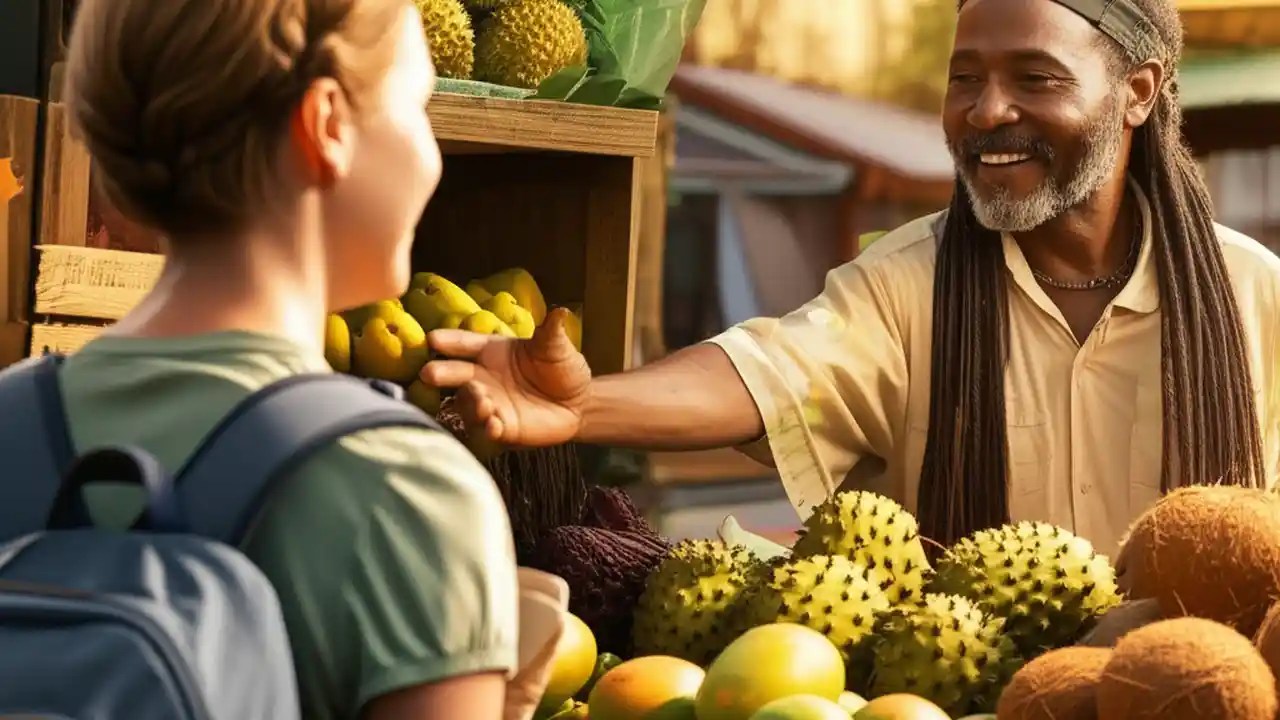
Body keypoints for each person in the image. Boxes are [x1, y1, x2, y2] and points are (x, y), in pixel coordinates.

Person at [422, 0, 1280, 556]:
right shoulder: (910, 284)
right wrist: (585, 406)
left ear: (1137, 91)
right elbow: (770, 371)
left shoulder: (1257, 300)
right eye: (964, 79)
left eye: (1034, 78)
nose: (986, 112)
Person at [52, 0, 545, 718]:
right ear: (327, 126)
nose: (431, 155)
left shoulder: (9, 422)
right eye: (420, 105)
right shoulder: (406, 492)